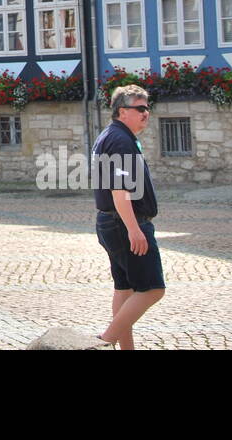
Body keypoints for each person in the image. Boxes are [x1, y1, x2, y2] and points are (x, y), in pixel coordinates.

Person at [92, 84, 163, 349]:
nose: (146, 113)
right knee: (153, 289)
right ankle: (104, 342)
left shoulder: (113, 135)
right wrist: (135, 229)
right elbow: (119, 189)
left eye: (147, 108)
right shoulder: (120, 140)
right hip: (124, 223)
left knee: (125, 289)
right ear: (123, 111)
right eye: (140, 108)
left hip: (111, 222)